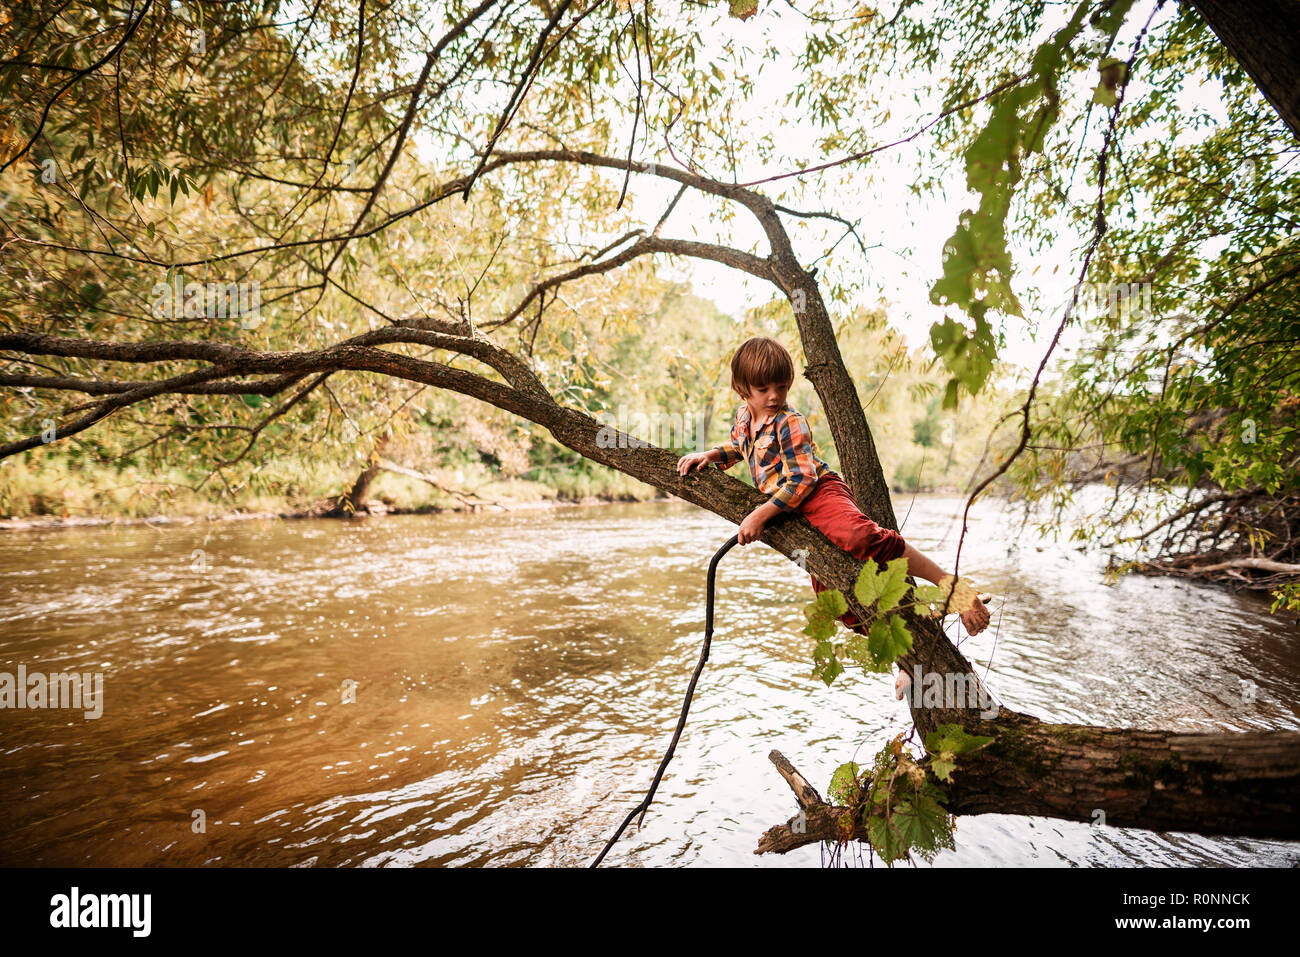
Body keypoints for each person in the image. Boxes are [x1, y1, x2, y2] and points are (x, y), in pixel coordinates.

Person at [675, 336, 990, 699]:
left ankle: (952, 586)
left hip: (815, 492)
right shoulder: (746, 417)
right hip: (786, 505)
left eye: (782, 386)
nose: (774, 396)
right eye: (763, 389)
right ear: (742, 388)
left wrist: (760, 514)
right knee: (842, 602)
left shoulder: (790, 421)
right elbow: (742, 448)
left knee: (858, 537)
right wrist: (711, 455)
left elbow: (802, 479)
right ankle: (906, 661)